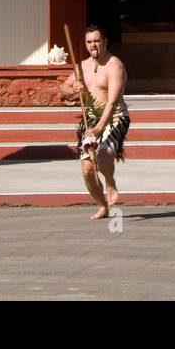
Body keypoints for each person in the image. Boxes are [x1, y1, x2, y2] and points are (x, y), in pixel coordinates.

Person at [62, 24, 130, 220]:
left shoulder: (114, 65)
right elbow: (62, 92)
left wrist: (99, 128)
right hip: (89, 119)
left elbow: (112, 101)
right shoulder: (81, 66)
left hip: (114, 117)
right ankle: (102, 206)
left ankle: (109, 180)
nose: (93, 45)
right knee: (87, 170)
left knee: (103, 155)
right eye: (89, 41)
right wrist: (73, 89)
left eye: (97, 41)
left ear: (105, 42)